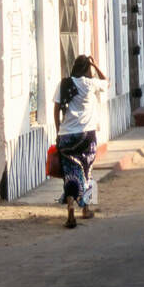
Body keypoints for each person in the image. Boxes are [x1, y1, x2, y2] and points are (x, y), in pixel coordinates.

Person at [53, 55, 107, 228]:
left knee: (70, 173)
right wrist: (96, 65)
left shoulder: (64, 84)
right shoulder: (91, 84)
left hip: (66, 135)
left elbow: (56, 109)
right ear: (87, 69)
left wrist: (58, 130)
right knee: (87, 171)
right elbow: (106, 81)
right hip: (87, 135)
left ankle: (70, 207)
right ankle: (86, 209)